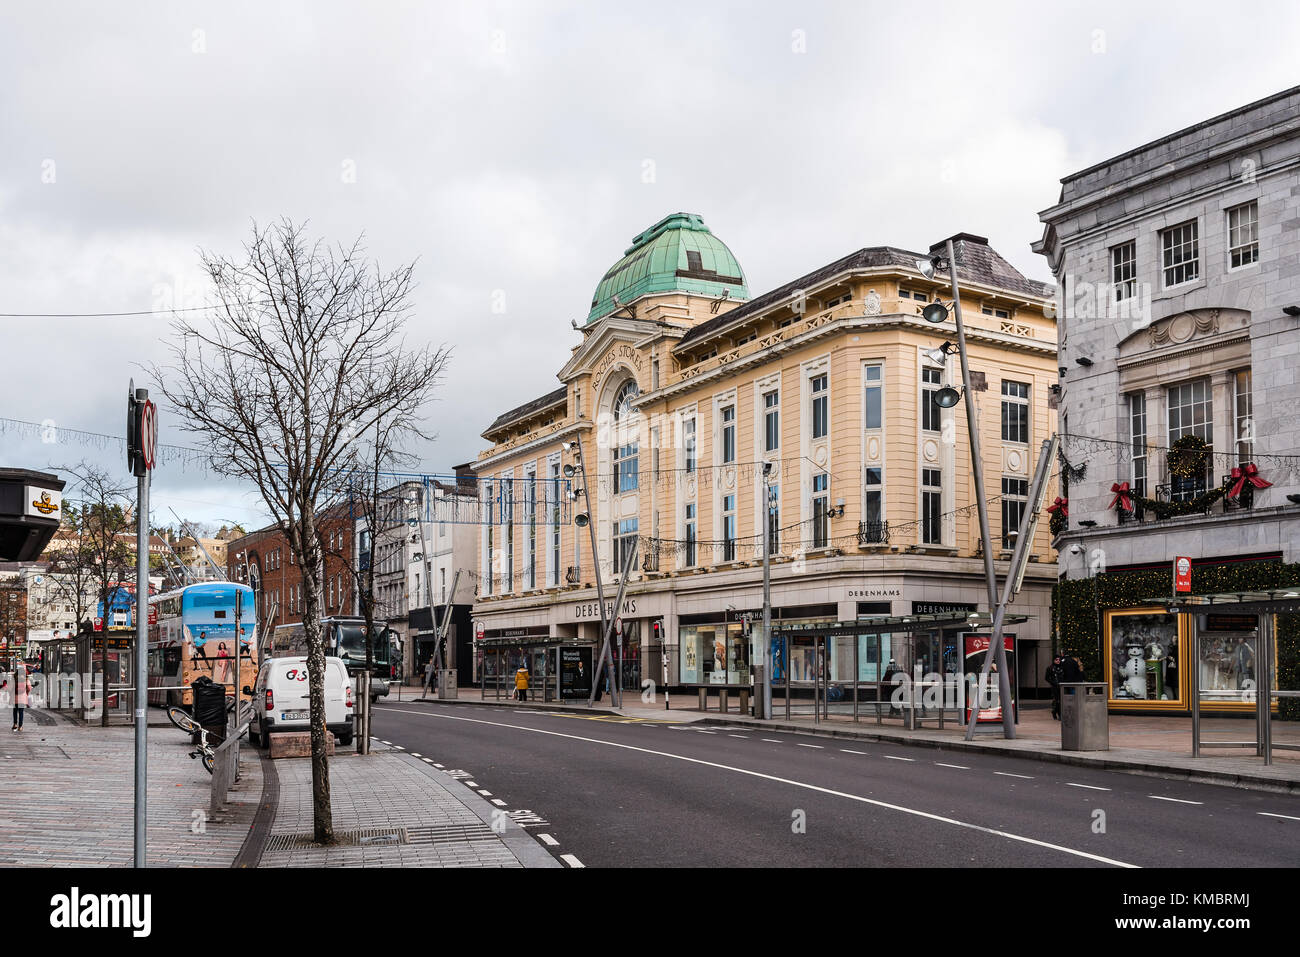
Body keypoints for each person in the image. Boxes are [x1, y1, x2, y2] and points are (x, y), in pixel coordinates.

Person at [2, 661, 33, 732]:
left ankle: (15, 724)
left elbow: (9, 688)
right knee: (21, 712)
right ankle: (20, 726)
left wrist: (10, 692)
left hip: (15, 698)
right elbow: (29, 688)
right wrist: (26, 693)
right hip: (22, 698)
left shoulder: (14, 679)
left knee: (15, 711)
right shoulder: (26, 679)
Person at [1045, 655, 1064, 720]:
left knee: (1061, 701)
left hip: (1062, 686)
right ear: (1054, 660)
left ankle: (1054, 711)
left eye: (1059, 659)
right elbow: (1046, 678)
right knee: (1058, 701)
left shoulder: (1062, 667)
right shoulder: (1050, 668)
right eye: (1056, 660)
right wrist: (1053, 682)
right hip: (1055, 687)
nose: (1058, 661)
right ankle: (1059, 715)